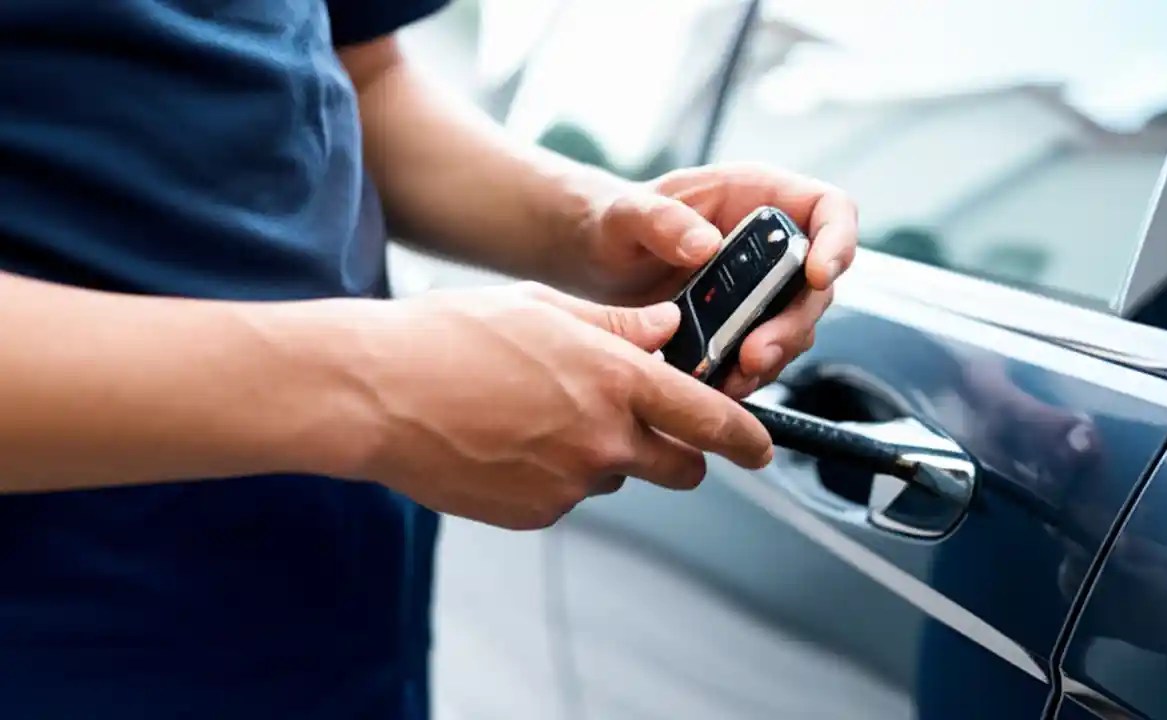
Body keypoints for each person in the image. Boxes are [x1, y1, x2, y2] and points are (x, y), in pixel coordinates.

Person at [0, 1, 858, 718]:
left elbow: (356, 76)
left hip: (330, 638)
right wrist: (375, 389)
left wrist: (592, 225)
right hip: (63, 654)